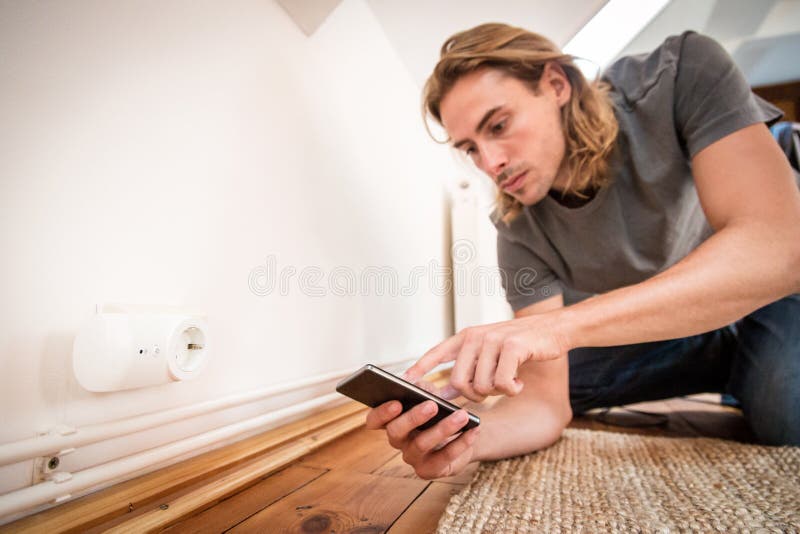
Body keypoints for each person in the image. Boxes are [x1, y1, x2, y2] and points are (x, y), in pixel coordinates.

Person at [365, 23, 800, 479]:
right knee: (549, 384)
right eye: (470, 148)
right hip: (676, 330)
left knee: (786, 412)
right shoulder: (517, 230)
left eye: (499, 125)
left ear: (556, 84)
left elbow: (778, 248)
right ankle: (740, 365)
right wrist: (466, 441)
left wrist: (559, 328)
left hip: (776, 296)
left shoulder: (682, 72)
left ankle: (757, 365)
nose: (490, 163)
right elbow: (543, 405)